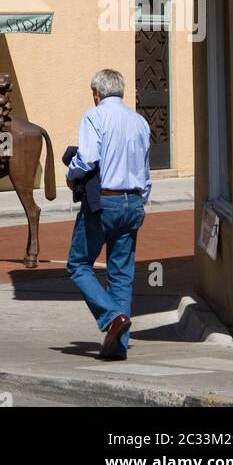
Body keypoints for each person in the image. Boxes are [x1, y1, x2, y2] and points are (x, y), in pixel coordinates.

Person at [65, 69, 151, 360]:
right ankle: (118, 346)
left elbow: (88, 158)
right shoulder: (140, 123)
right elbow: (146, 171)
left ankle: (111, 317)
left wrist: (70, 173)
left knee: (78, 264)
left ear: (97, 94)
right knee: (122, 276)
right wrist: (141, 201)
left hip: (106, 201)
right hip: (134, 201)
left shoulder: (94, 116)